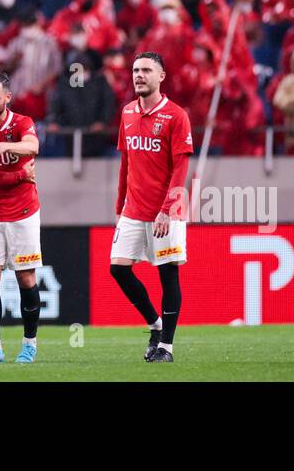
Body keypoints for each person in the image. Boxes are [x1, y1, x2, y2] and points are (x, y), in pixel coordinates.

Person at [110, 52, 193, 363]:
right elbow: (126, 162)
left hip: (166, 210)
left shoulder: (175, 115)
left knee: (167, 275)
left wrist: (168, 208)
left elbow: (181, 167)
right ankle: (155, 325)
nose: (139, 75)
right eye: (135, 70)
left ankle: (167, 347)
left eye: (146, 70)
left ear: (161, 76)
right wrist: (119, 205)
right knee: (118, 269)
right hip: (133, 208)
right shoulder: (128, 112)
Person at [0, 72, 41, 364]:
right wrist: (20, 174)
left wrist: (3, 146)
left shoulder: (22, 122)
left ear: (7, 98)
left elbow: (33, 147)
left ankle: (29, 344)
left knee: (26, 278)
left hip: (24, 212)